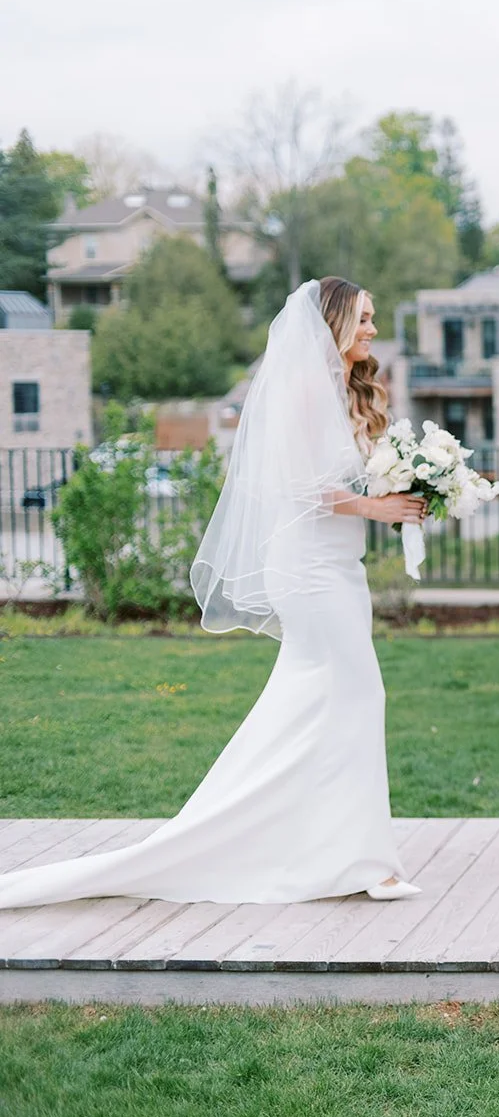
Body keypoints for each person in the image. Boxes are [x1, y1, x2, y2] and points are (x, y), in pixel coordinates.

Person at [0, 278, 429, 908]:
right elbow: (294, 484)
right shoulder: (306, 386)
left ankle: (323, 848)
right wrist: (375, 503)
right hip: (310, 566)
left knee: (319, 699)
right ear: (333, 323)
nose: (371, 328)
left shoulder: (343, 387)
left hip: (341, 564)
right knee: (358, 691)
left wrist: (416, 482)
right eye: (364, 318)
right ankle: (365, 861)